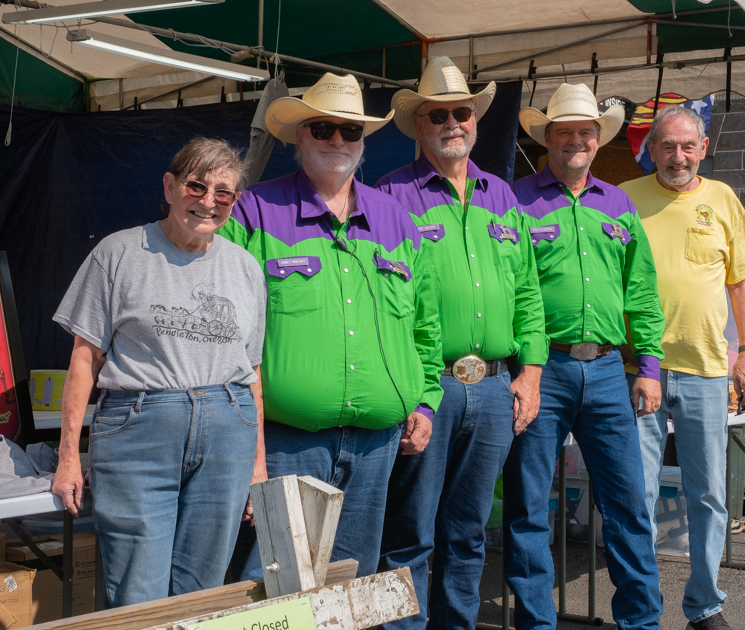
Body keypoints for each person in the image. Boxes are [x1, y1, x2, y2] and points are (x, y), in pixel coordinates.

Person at [224, 73, 443, 581]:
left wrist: (427, 400)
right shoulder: (253, 213)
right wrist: (248, 450)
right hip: (286, 443)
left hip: (376, 445)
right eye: (323, 129)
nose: (337, 141)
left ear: (364, 141)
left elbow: (425, 328)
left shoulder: (398, 221)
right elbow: (224, 335)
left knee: (349, 582)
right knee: (273, 586)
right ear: (300, 136)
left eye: (350, 131)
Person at [51, 137, 266, 607]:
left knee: (202, 593)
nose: (208, 202)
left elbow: (251, 374)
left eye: (223, 193)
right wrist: (69, 455)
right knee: (137, 594)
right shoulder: (119, 253)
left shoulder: (246, 268)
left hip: (229, 431)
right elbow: (84, 359)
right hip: (139, 430)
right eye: (196, 186)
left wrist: (257, 464)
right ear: (169, 187)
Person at [376, 56, 548, 630]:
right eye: (438, 115)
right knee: (410, 534)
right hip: (431, 386)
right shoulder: (388, 196)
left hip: (497, 386)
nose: (453, 123)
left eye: (462, 112)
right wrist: (410, 392)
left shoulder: (503, 195)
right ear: (418, 125)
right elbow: (382, 303)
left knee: (470, 532)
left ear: (475, 121)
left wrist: (531, 374)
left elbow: (528, 294)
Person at [504, 83, 665, 630]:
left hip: (604, 372)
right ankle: (535, 622)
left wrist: (648, 368)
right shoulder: (516, 200)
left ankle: (641, 622)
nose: (576, 140)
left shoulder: (619, 204)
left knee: (626, 504)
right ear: (547, 137)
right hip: (538, 368)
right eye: (565, 131)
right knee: (528, 507)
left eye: (585, 132)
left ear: (598, 141)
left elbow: (641, 291)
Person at [619, 105, 745, 630]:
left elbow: (740, 282)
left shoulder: (722, 198)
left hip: (706, 370)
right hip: (642, 372)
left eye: (687, 146)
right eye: (667, 146)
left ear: (703, 149)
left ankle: (705, 607)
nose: (677, 156)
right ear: (651, 149)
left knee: (709, 496)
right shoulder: (625, 199)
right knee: (639, 496)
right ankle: (641, 609)